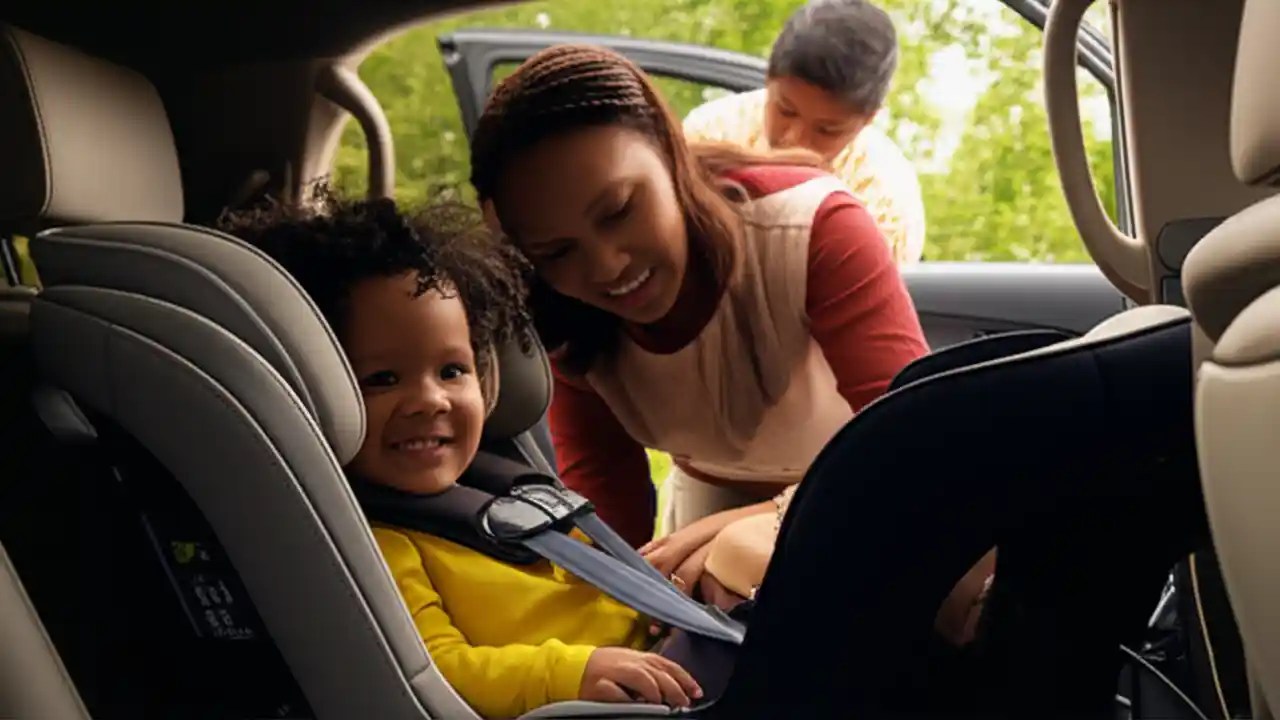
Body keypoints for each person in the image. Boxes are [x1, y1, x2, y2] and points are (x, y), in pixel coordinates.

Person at [469, 42, 932, 598]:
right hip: (704, 514)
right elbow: (609, 503)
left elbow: (919, 446)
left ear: (670, 152)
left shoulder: (813, 229)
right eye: (556, 252)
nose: (606, 266)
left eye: (618, 211)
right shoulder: (564, 313)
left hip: (869, 494)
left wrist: (763, 520)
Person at [217, 192, 703, 718]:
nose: (430, 400)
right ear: (315, 393)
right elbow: (437, 671)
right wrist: (569, 674)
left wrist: (668, 604)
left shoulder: (510, 489)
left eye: (452, 371)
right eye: (381, 379)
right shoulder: (380, 544)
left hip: (673, 664)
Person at [683, 0, 927, 266]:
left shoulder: (885, 204)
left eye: (826, 130)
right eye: (785, 111)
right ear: (769, 79)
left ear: (868, 119)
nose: (795, 140)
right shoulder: (708, 134)